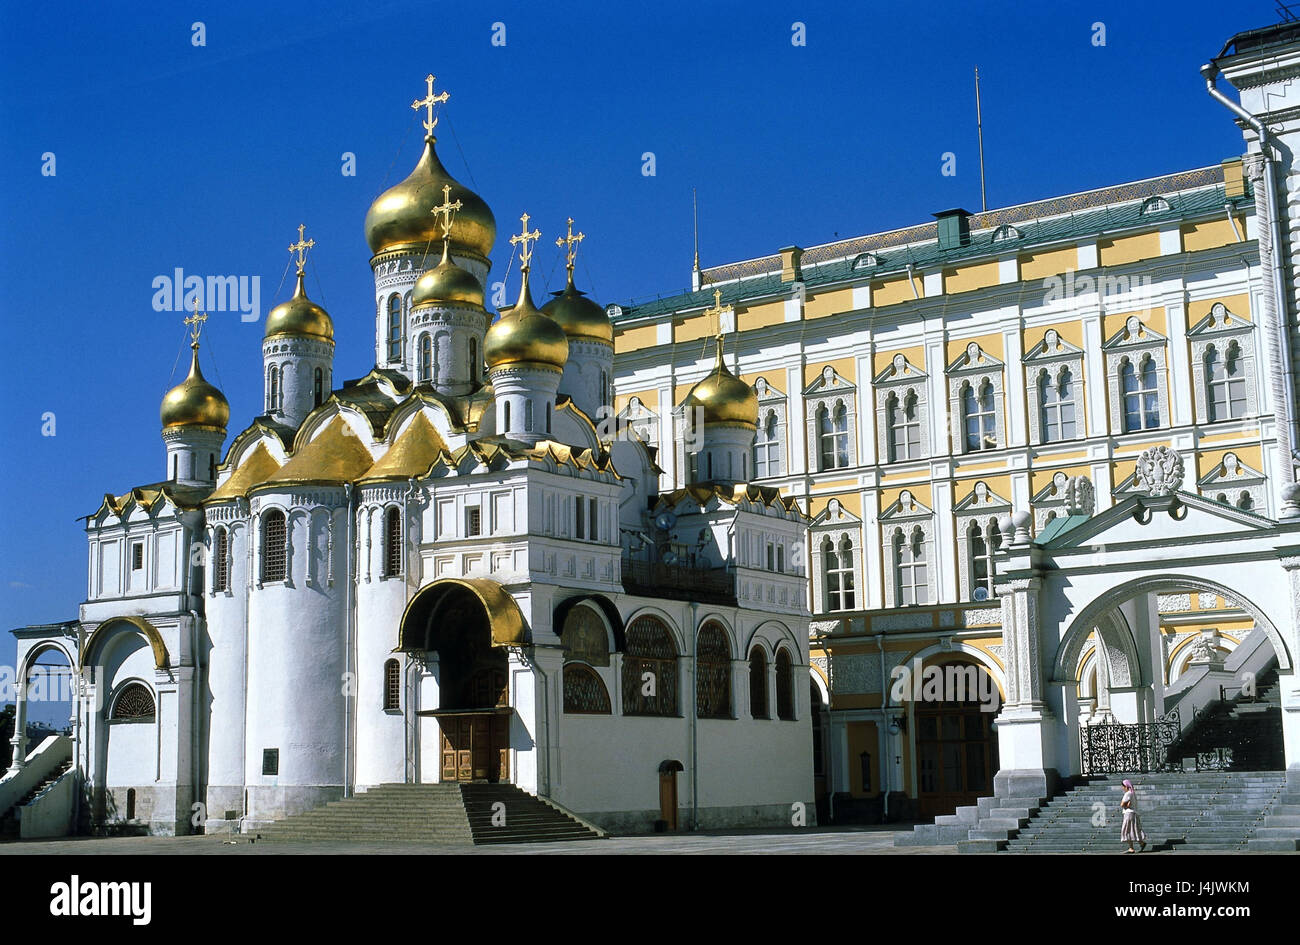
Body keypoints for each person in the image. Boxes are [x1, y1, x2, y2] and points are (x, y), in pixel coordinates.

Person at [1121, 778, 1148, 853]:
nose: (1122, 788)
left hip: (1128, 814)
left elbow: (1122, 804)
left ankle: (1131, 847)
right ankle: (1141, 843)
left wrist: (1125, 805)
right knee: (1134, 829)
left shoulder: (1128, 793)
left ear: (1126, 786)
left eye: (1123, 787)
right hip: (1134, 813)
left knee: (1127, 830)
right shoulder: (1133, 793)